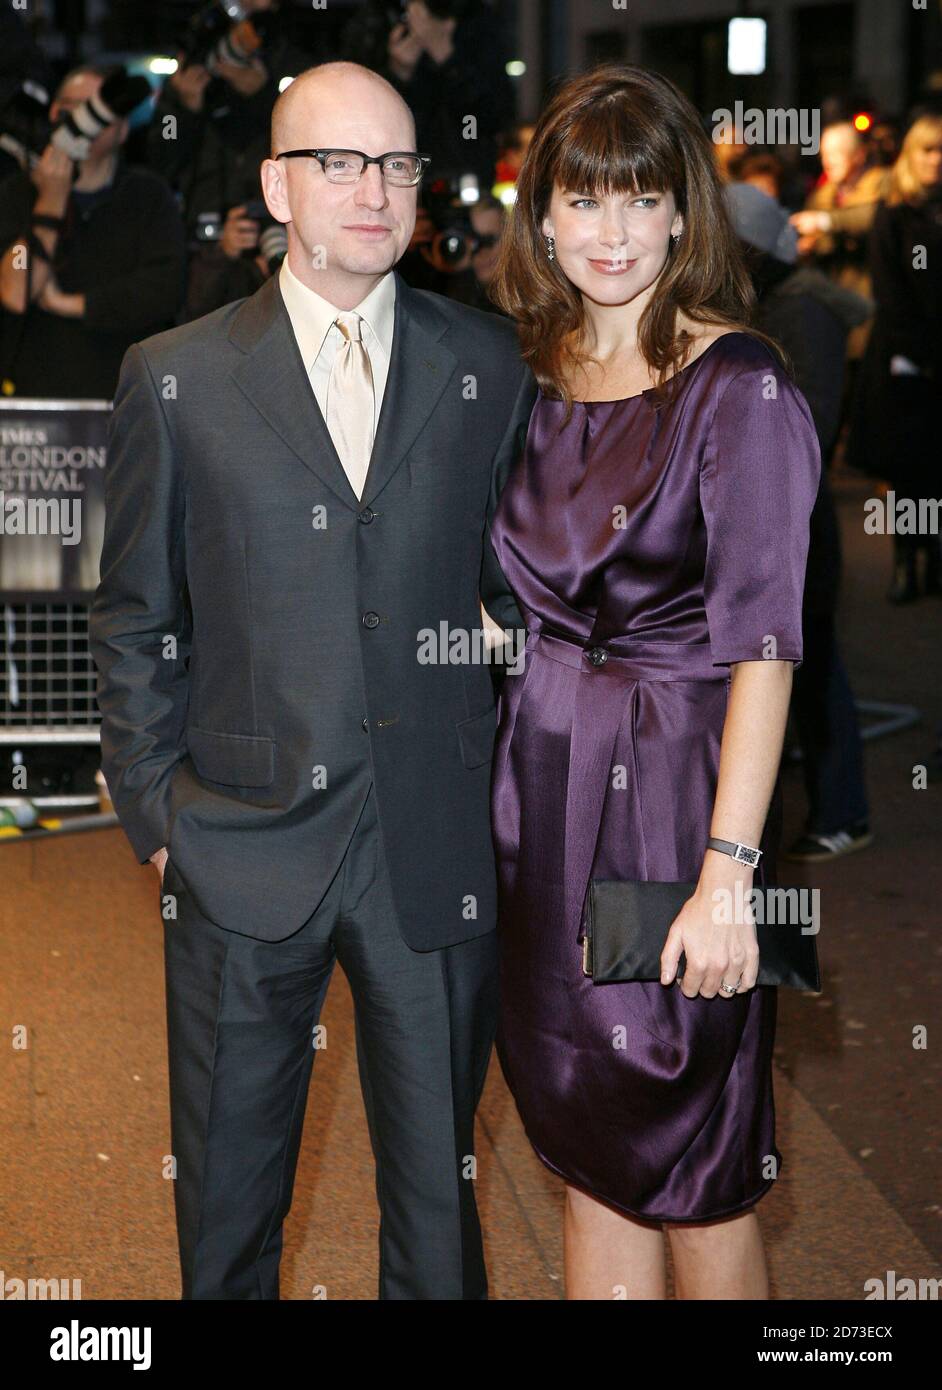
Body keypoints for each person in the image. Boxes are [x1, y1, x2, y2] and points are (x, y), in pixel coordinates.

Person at [89, 60, 536, 1301]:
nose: (377, 190)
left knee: (439, 1224)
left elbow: (519, 588)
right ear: (280, 185)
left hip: (431, 848)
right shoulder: (175, 374)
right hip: (236, 844)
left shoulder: (487, 362)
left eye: (397, 163)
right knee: (227, 1208)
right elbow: (133, 611)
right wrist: (158, 813)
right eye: (340, 162)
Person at [488, 64, 821, 1300]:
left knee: (694, 1165)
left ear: (684, 212)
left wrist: (730, 878)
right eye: (582, 200)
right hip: (539, 799)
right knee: (585, 1141)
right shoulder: (534, 372)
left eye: (638, 200)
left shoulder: (742, 388)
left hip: (677, 804)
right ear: (545, 216)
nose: (611, 233)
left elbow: (766, 651)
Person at [725, 181, 873, 862]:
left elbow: (804, 420)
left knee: (814, 667)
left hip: (799, 521)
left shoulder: (802, 309)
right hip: (779, 518)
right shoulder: (767, 302)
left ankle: (845, 809)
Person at [0, 63, 185, 398]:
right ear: (55, 112)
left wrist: (71, 304)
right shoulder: (17, 193)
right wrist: (52, 199)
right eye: (78, 107)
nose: (91, 120)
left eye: (103, 108)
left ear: (123, 129)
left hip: (127, 396)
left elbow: (163, 291)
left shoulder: (148, 195)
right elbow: (15, 292)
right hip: (34, 402)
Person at [845, 112, 942, 602]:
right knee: (906, 471)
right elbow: (891, 289)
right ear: (911, 155)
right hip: (903, 357)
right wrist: (921, 350)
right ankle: (906, 563)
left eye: (941, 150)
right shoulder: (894, 213)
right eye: (928, 150)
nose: (935, 160)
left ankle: (935, 560)